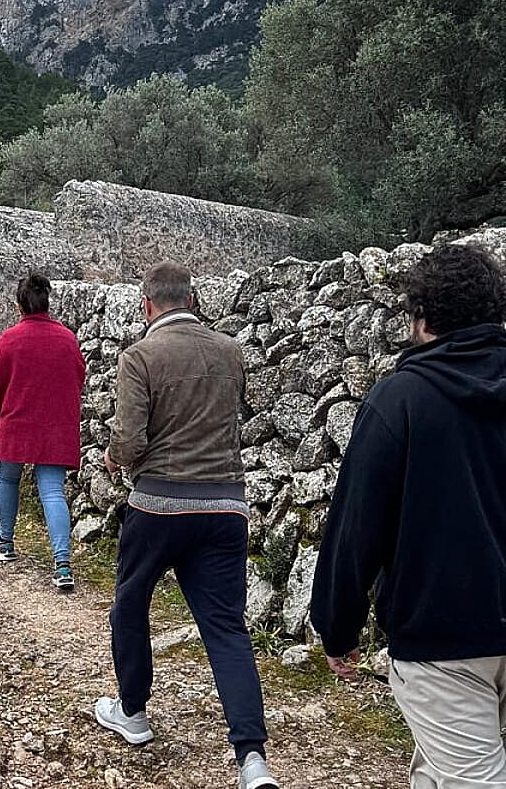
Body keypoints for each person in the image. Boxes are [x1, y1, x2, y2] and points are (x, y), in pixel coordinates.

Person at [311, 244, 506, 789]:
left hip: (442, 634)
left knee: (472, 779)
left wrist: (337, 627)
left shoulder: (401, 400)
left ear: (420, 318)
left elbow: (356, 527)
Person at [94, 261, 278, 789]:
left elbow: (130, 441)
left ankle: (133, 713)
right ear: (192, 300)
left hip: (158, 507)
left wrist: (112, 458)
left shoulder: (140, 357)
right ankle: (251, 758)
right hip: (225, 507)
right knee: (225, 628)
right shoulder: (230, 351)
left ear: (147, 304)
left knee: (130, 604)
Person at [0, 273, 86, 591]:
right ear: (47, 302)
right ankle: (63, 566)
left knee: (8, 480)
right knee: (53, 492)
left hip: (16, 425)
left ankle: (5, 542)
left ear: (19, 306)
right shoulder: (67, 338)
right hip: (54, 427)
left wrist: (2, 416)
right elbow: (78, 376)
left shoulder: (11, 339)